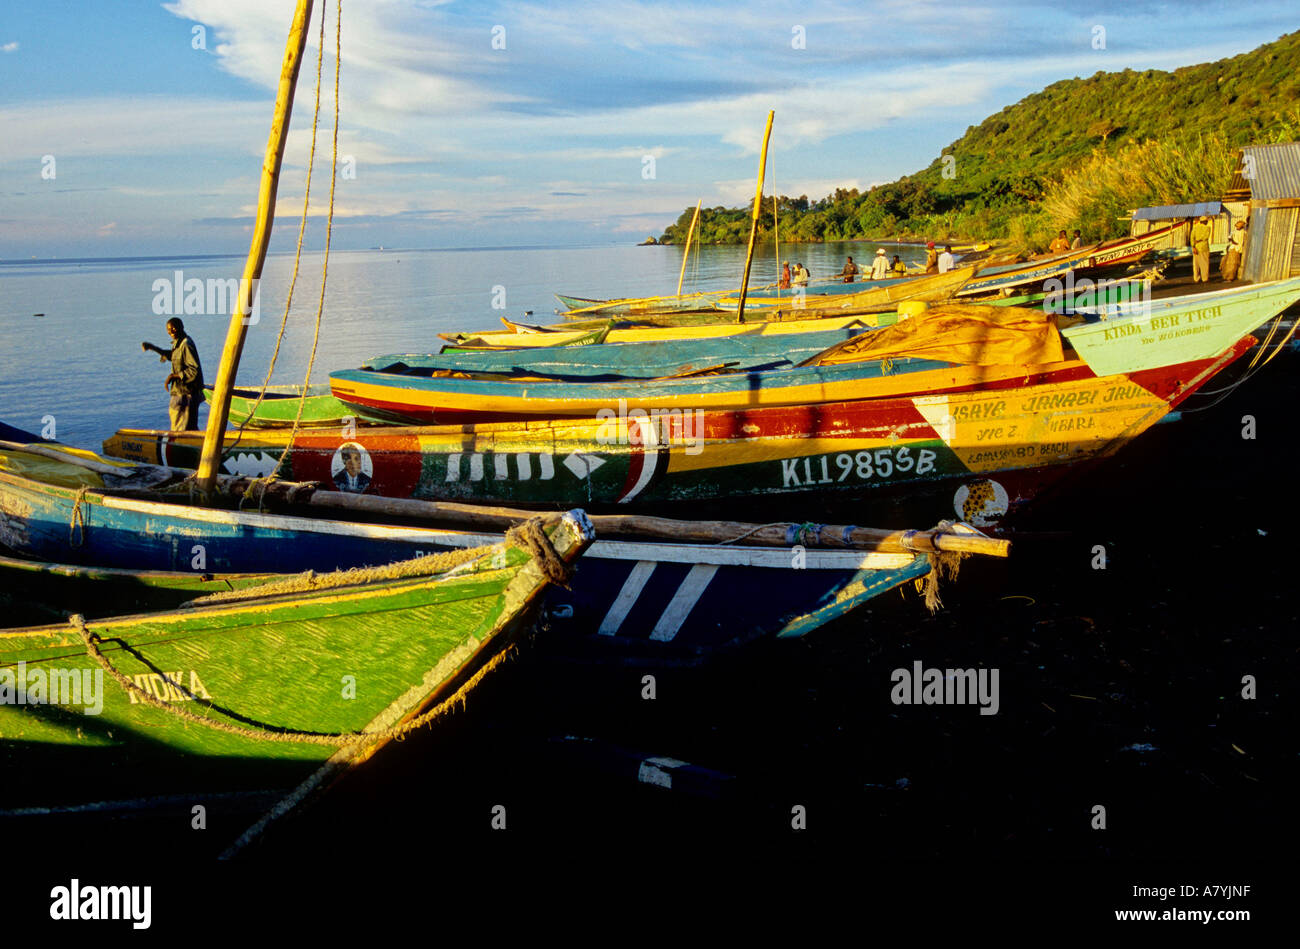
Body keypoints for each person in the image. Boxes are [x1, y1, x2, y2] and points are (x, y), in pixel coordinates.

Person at [141, 317, 204, 432]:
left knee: (180, 431)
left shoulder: (186, 344)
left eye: (174, 328)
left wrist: (173, 376)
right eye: (169, 329)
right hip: (183, 394)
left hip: (185, 395)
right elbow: (173, 356)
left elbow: (194, 371)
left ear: (182, 327)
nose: (171, 331)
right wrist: (153, 348)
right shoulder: (178, 343)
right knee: (189, 430)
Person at [1190, 215, 1212, 283]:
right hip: (1203, 247)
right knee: (1204, 263)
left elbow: (1192, 237)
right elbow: (1205, 237)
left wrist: (1193, 246)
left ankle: (1196, 278)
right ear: (1205, 221)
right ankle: (1204, 278)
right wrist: (1199, 240)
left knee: (1196, 264)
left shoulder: (1195, 228)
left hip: (1195, 247)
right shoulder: (1207, 228)